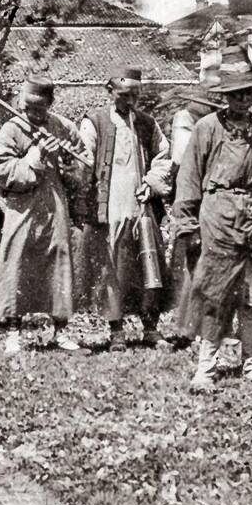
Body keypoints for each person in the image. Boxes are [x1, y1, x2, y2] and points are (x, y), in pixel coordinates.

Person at [172, 43, 252, 392]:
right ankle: (205, 369)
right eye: (237, 94)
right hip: (217, 219)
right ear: (225, 95)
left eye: (249, 93)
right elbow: (189, 177)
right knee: (214, 295)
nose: (243, 100)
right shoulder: (207, 128)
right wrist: (187, 224)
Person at [73, 68, 173, 351]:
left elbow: (164, 158)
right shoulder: (95, 122)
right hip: (110, 209)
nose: (130, 102)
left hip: (140, 207)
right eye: (124, 95)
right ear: (110, 92)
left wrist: (152, 183)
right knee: (112, 270)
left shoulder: (146, 123)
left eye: (135, 96)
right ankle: (116, 330)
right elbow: (83, 160)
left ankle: (150, 328)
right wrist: (78, 167)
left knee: (149, 266)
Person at [0, 78, 86, 353]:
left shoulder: (63, 126)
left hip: (54, 203)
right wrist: (35, 157)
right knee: (16, 261)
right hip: (22, 205)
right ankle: (13, 332)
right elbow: (3, 170)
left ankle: (60, 331)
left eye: (40, 108)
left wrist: (67, 162)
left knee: (58, 259)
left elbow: (81, 167)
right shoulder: (11, 129)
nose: (34, 114)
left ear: (50, 104)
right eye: (29, 108)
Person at [166, 85, 221, 349]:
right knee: (194, 261)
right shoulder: (186, 121)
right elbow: (180, 157)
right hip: (194, 195)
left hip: (213, 197)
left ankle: (201, 327)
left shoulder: (219, 124)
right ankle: (190, 328)